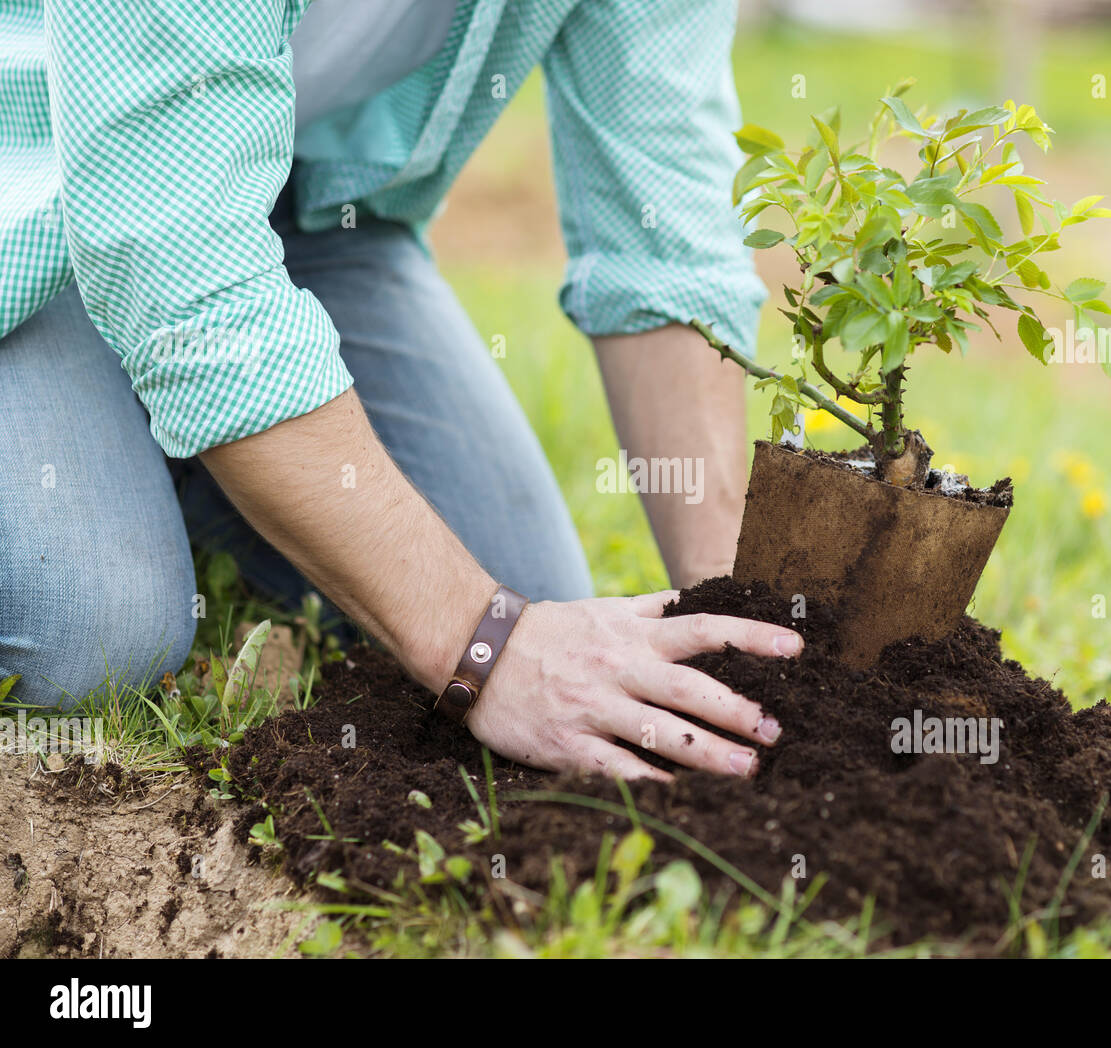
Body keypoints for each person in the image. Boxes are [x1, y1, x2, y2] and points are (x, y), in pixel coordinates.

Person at [0, 0, 802, 781]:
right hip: (44, 181)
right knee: (93, 635)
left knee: (528, 592)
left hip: (309, 210)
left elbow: (665, 231)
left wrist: (738, 627)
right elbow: (183, 263)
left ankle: (180, 440)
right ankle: (154, 426)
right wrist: (485, 646)